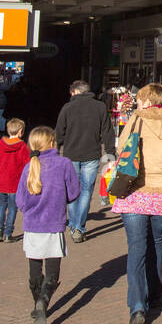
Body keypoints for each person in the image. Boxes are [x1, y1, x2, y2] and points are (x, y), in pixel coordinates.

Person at [111, 84, 162, 324]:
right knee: (156, 244)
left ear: (145, 101)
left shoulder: (137, 119)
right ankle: (155, 294)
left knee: (136, 248)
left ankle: (137, 307)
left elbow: (122, 149)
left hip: (136, 191)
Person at [16, 126, 80, 324]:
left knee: (34, 269)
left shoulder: (29, 167)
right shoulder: (64, 164)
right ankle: (44, 299)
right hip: (54, 224)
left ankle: (37, 303)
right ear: (52, 143)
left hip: (33, 226)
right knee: (52, 270)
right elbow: (74, 192)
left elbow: (20, 200)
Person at [54, 80, 116, 243]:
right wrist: (111, 154)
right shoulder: (100, 107)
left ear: (74, 92)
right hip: (92, 154)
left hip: (71, 155)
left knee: (72, 191)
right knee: (87, 191)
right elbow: (108, 132)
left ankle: (74, 225)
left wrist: (53, 152)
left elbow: (59, 133)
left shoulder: (67, 108)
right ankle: (79, 227)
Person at [0, 118, 31, 242]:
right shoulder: (22, 146)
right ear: (20, 132)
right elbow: (27, 164)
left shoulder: (0, 145)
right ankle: (8, 233)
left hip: (1, 180)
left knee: (1, 206)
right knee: (13, 207)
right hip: (15, 181)